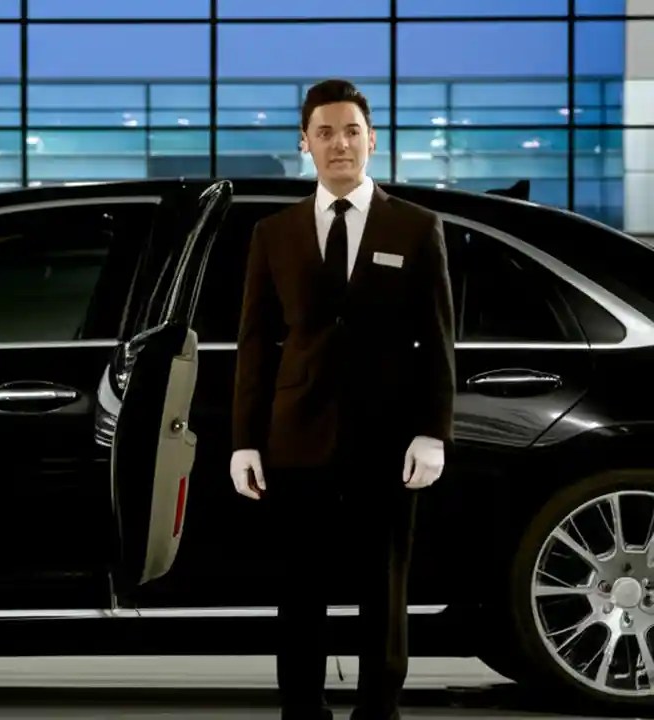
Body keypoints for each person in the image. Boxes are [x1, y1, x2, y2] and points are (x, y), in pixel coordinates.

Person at [228, 79, 456, 720]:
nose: (339, 144)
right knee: (299, 590)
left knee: (384, 589)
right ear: (304, 144)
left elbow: (439, 341)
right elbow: (255, 344)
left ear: (372, 139)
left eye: (351, 130)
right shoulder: (273, 234)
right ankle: (302, 710)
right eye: (324, 132)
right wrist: (245, 440)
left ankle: (377, 711)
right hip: (295, 438)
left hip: (387, 442)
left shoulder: (415, 228)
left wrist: (432, 431)